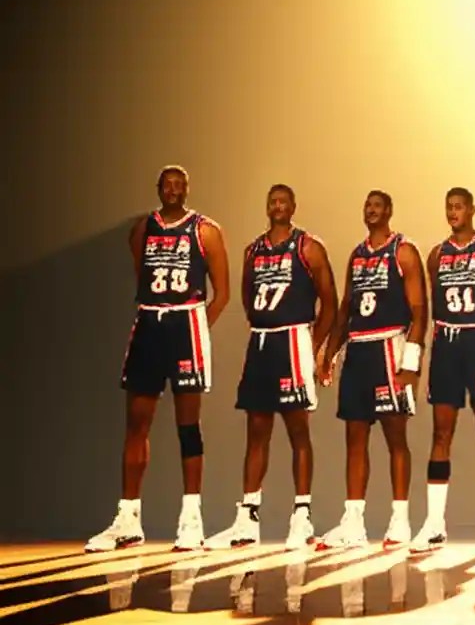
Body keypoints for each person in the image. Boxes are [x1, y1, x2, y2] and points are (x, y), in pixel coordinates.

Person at [86, 166, 230, 552]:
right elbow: (141, 274)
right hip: (150, 321)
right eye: (167, 183)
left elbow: (223, 292)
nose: (173, 189)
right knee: (136, 423)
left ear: (188, 189)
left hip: (186, 323)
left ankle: (191, 517)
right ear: (159, 189)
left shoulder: (205, 230)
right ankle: (128, 517)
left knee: (188, 424)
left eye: (180, 184)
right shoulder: (142, 230)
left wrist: (198, 326)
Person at [204, 185, 337, 551]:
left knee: (298, 429)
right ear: (268, 207)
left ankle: (302, 515)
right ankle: (247, 516)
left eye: (283, 201)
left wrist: (313, 345)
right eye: (272, 202)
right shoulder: (253, 250)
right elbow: (248, 298)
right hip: (262, 341)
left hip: (294, 339)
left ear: (294, 206)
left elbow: (331, 302)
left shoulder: (308, 246)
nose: (277, 206)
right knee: (256, 429)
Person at [315, 190, 428, 549]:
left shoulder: (403, 251)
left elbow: (420, 311)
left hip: (389, 347)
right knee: (355, 437)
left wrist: (411, 362)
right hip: (359, 350)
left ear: (389, 211)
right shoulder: (358, 254)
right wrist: (330, 353)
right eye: (367, 205)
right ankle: (354, 522)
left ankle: (400, 520)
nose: (371, 210)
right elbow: (347, 306)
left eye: (378, 206)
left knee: (396, 436)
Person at [410, 187, 475, 556]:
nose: (453, 212)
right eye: (449, 208)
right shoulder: (436, 254)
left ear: (472, 209)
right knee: (441, 432)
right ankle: (434, 523)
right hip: (446, 342)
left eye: (459, 207)